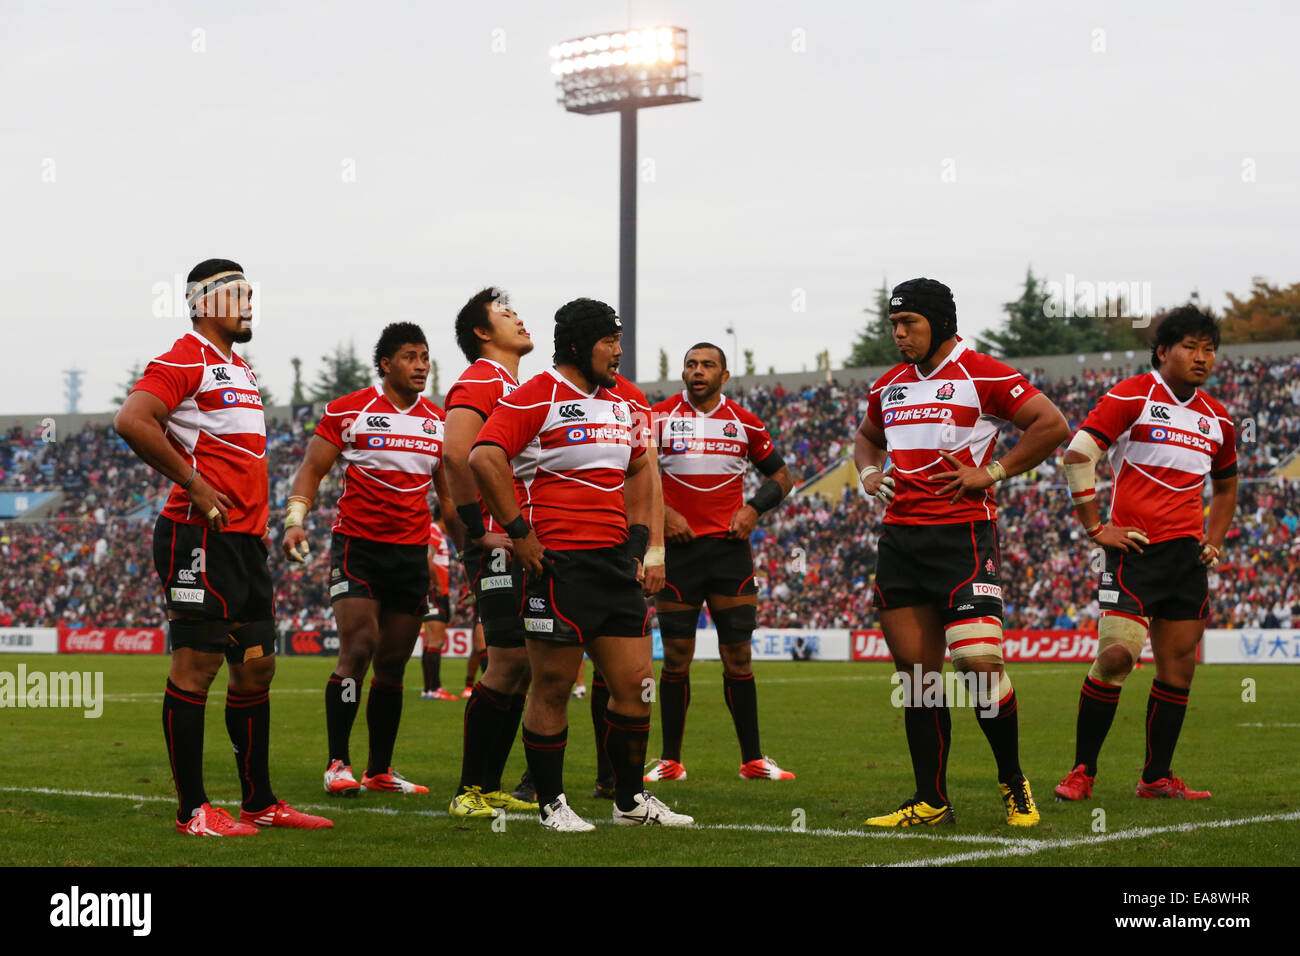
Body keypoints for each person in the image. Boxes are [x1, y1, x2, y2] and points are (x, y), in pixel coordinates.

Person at [114, 258, 331, 835]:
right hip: (196, 536)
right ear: (204, 302)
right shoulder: (186, 356)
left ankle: (259, 801)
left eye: (251, 294)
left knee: (257, 669)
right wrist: (192, 481)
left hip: (243, 543)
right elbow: (133, 419)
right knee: (197, 666)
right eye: (238, 295)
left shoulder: (238, 368)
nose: (250, 304)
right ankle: (192, 813)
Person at [469, 297, 693, 831]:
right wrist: (520, 533)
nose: (618, 352)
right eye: (609, 342)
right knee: (551, 685)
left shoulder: (620, 404)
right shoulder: (538, 393)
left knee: (637, 685)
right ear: (578, 344)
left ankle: (630, 800)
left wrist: (639, 540)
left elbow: (641, 469)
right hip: (557, 564)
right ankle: (551, 804)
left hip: (614, 565)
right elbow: (483, 456)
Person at [853, 277, 1069, 827]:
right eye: (894, 325)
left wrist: (993, 471)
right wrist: (870, 471)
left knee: (977, 665)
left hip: (965, 537)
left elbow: (1052, 425)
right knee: (917, 676)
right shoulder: (889, 386)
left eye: (910, 324)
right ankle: (931, 800)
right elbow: (865, 437)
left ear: (940, 323)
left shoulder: (985, 372)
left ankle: (1012, 779)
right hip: (900, 541)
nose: (899, 335)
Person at [1054, 306, 1237, 802]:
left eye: (1209, 349)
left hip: (1185, 561)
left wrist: (1214, 538)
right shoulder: (1131, 396)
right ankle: (1081, 771)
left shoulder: (1218, 419)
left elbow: (1225, 489)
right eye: (1191, 347)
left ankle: (1156, 777)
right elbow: (1077, 455)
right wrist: (1096, 527)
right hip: (1133, 552)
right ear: (1163, 351)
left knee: (1178, 670)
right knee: (1116, 657)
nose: (1202, 358)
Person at [281, 322, 458, 797]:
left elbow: (449, 500)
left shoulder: (439, 423)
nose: (421, 364)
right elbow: (312, 468)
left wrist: (474, 553)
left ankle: (380, 770)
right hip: (357, 548)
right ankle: (337, 763)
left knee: (395, 663)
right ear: (385, 363)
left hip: (409, 556)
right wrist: (294, 518)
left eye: (425, 356)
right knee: (359, 647)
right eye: (410, 356)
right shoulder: (349, 410)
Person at [644, 343, 796, 782]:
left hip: (729, 551)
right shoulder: (658, 418)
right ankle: (670, 760)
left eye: (707, 365)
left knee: (738, 655)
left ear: (724, 376)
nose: (697, 371)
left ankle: (753, 761)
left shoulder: (744, 422)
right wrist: (665, 515)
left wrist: (753, 510)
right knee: (675, 656)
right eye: (691, 364)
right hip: (678, 553)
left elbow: (782, 477)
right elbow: (633, 472)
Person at [442, 288, 539, 817]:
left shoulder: (510, 383)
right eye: (506, 315)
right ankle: (467, 791)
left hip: (515, 536)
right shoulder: (482, 377)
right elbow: (457, 452)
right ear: (482, 333)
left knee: (520, 663)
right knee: (506, 662)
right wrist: (478, 530)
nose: (520, 320)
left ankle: (489, 785)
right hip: (499, 541)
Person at [420, 508, 458, 700]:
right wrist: (436, 584)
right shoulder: (434, 530)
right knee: (435, 641)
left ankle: (429, 689)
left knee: (431, 642)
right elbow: (427, 557)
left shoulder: (435, 531)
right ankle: (434, 688)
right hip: (436, 592)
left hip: (434, 592)